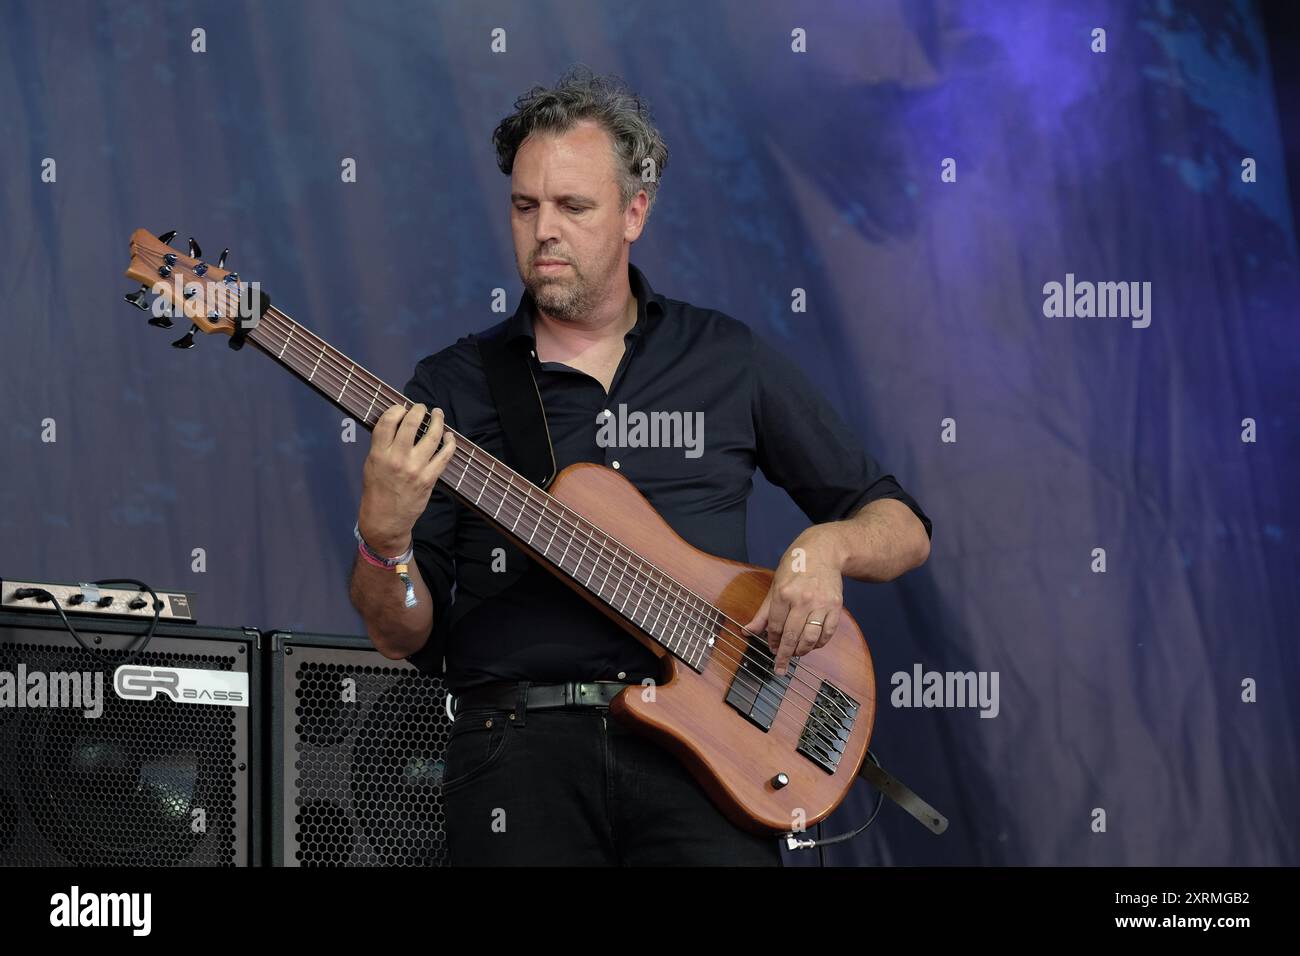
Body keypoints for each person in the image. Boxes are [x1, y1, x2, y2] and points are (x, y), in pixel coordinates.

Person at [348, 67, 932, 866]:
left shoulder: (727, 359)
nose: (542, 230)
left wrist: (826, 550)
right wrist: (384, 542)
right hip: (519, 758)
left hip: (712, 762)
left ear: (634, 213)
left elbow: (899, 524)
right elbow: (400, 630)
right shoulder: (452, 387)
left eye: (573, 207)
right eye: (525, 206)